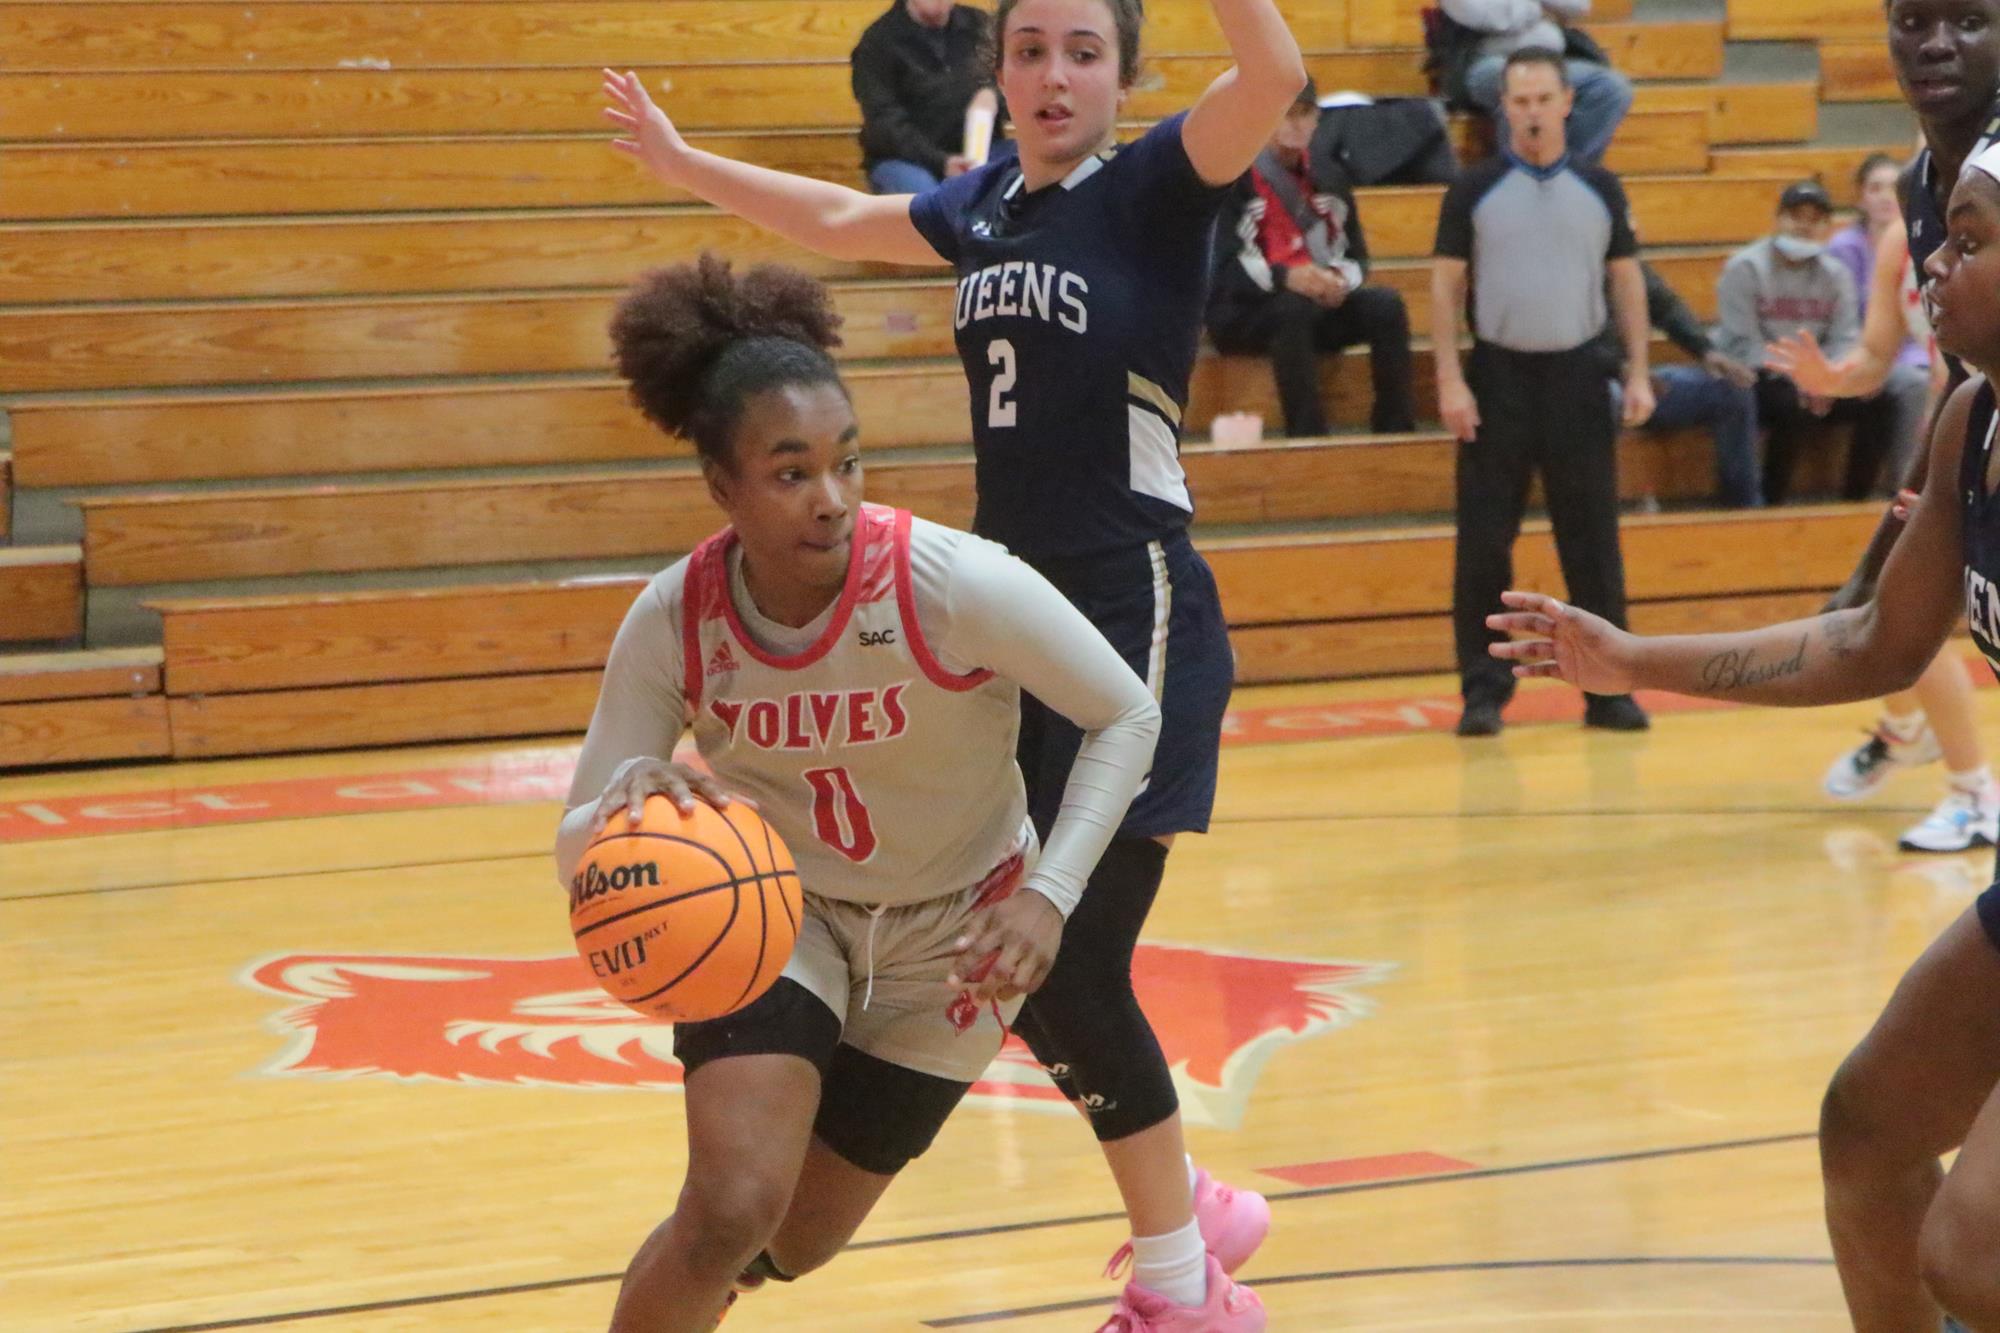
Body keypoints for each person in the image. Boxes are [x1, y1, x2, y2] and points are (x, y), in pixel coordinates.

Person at [604, 0, 1306, 1323]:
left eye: (1083, 52)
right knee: (1009, 951)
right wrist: (688, 166)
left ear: (1124, 75)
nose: (1054, 75)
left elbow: (1273, 71)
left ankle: (1182, 1288)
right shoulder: (986, 207)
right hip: (1008, 626)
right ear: (999, 67)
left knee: (1067, 951)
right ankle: (1189, 1198)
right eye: (1030, 49)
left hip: (1132, 602)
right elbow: (836, 219)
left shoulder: (1155, 186)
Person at [560, 255, 1164, 1333]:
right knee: (729, 1209)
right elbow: (573, 838)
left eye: (847, 461)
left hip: (957, 938)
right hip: (779, 914)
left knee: (789, 1240)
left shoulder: (952, 581)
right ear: (722, 485)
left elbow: (1126, 713)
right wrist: (623, 812)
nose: (831, 498)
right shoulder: (675, 615)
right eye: (790, 472)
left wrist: (1051, 895)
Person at [1481, 140, 2000, 1333]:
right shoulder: (1969, 422)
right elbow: (1871, 642)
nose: (1931, 260)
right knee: (1866, 1131)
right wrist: (1630, 661)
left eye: (1969, 240)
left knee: (1974, 1253)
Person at [1757, 6, 2000, 856]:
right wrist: (1833, 379)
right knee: (1880, 617)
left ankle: (1968, 785)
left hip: (1965, 433)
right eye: (1913, 21)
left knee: (1896, 619)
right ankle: (1916, 739)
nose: (1936, 44)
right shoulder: (1912, 207)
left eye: (1967, 20)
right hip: (1959, 433)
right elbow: (1886, 358)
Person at [1430, 47, 1655, 738]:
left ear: (1566, 104)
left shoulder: (1601, 187)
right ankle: (1483, 690)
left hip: (1578, 378)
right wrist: (1450, 379)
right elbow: (1445, 283)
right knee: (1483, 545)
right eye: (1519, 100)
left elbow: (1626, 281)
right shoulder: (1473, 189)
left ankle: (1609, 690)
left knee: (1593, 542)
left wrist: (1638, 371)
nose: (1531, 112)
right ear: (1504, 107)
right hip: (1498, 380)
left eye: (1542, 100)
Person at [1206, 76, 1416, 436]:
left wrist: (1337, 281)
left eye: (1304, 114)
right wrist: (1286, 277)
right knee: (1292, 307)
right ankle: (1307, 434)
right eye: (1285, 113)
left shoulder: (1330, 176)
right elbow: (1225, 266)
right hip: (1247, 310)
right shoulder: (1232, 176)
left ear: (1317, 119)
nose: (1295, 124)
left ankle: (1396, 429)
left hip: (1313, 306)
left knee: (1386, 306)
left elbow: (1356, 256)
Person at [1713, 180, 1905, 506]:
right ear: (1778, 219)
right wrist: (1802, 376)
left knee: (1878, 398)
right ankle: (1771, 504)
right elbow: (1743, 342)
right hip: (1760, 376)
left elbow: (1845, 339)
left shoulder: (1836, 274)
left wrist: (1828, 376)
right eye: (1796, 216)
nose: (1804, 225)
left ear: (1827, 227)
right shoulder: (1744, 267)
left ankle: (1854, 503)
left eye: (1815, 219)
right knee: (1790, 402)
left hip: (1818, 376)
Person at [1597, 258, 1762, 508]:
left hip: (1639, 381)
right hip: (1590, 384)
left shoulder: (1627, 264)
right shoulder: (1566, 272)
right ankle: (1598, 512)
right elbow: (1568, 344)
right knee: (1605, 399)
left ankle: (1744, 510)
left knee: (1731, 390)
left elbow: (1666, 307)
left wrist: (1706, 350)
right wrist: (1620, 370)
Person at [1440, 0, 1633, 167]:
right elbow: (1485, 16)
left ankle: (1570, 173)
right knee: (1517, 84)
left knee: (1611, 87)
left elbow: (1578, 5)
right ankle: (1519, 175)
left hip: (1551, 61)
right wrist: (1537, 10)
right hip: (1484, 62)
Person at [850, 0, 1003, 195]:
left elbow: (1014, 80)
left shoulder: (981, 25)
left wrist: (993, 94)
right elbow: (884, 125)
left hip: (983, 153)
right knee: (927, 201)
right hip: (905, 160)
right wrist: (942, 162)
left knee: (1019, 175)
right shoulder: (877, 43)